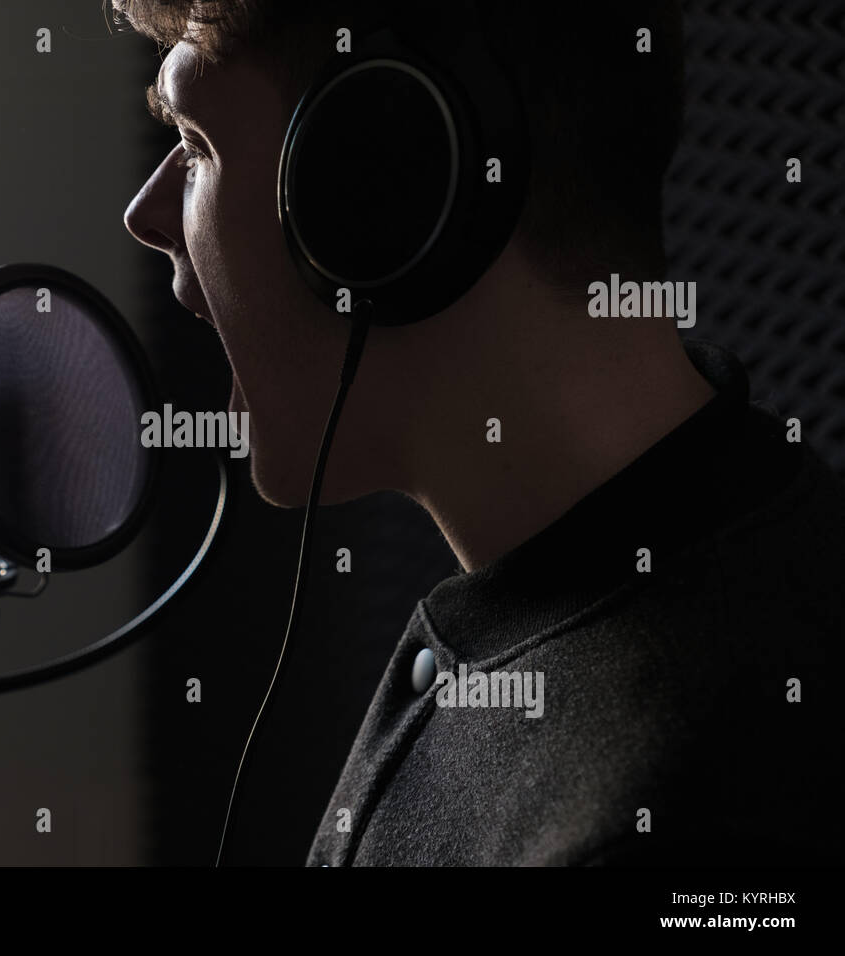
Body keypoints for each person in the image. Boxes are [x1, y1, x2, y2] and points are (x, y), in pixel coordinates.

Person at [116, 0, 845, 865]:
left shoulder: (669, 818)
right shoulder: (721, 561)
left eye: (198, 144)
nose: (145, 213)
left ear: (388, 186)